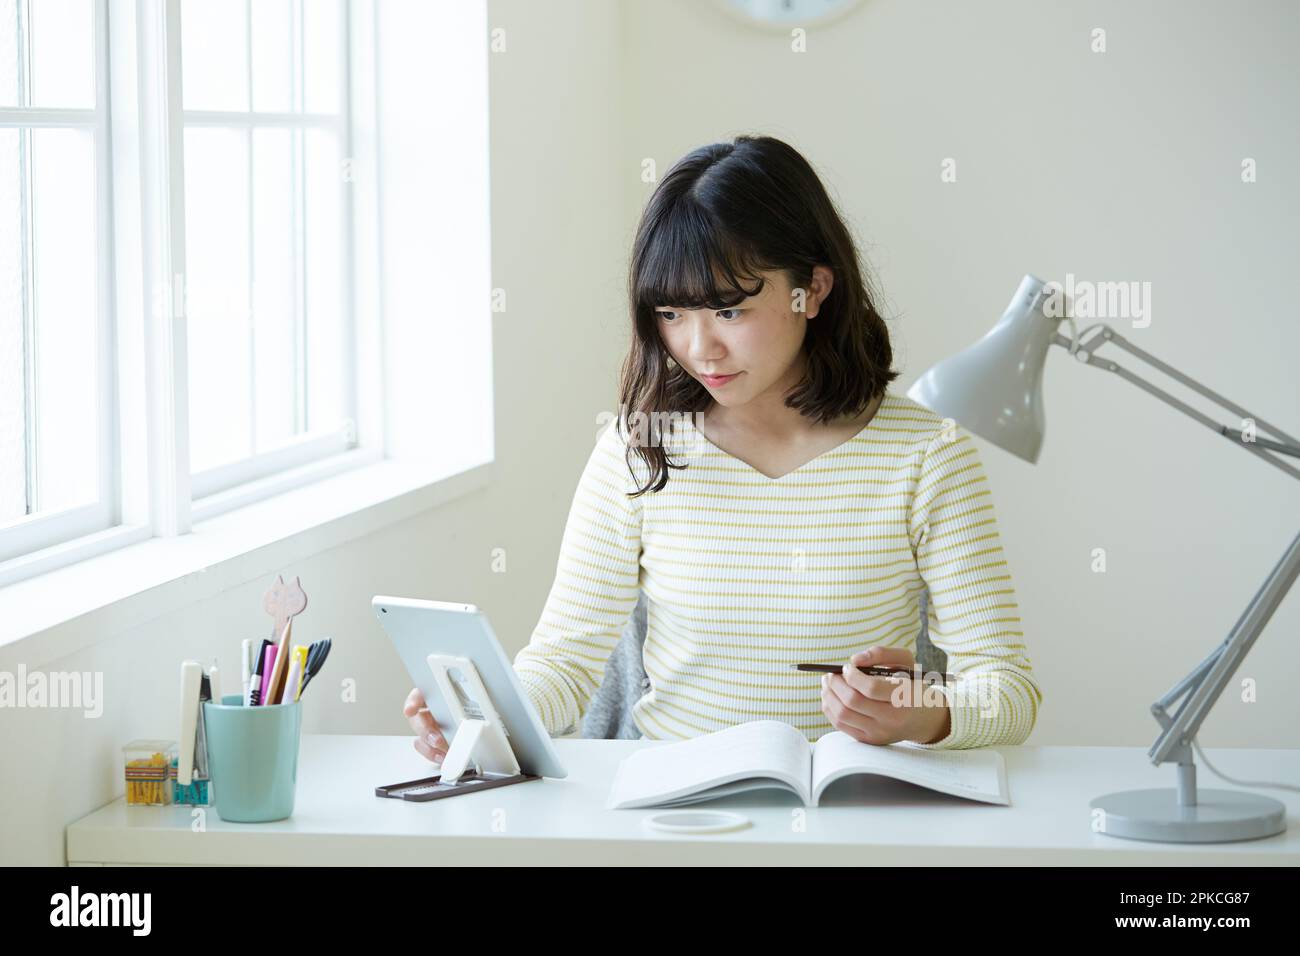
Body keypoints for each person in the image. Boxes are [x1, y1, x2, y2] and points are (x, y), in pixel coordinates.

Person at [406, 134, 1042, 764]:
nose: (699, 346)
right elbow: (564, 665)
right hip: (679, 809)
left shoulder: (927, 455)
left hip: (852, 809)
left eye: (729, 311)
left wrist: (924, 715)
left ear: (814, 289)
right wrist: (481, 717)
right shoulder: (639, 447)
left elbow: (1007, 688)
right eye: (672, 313)